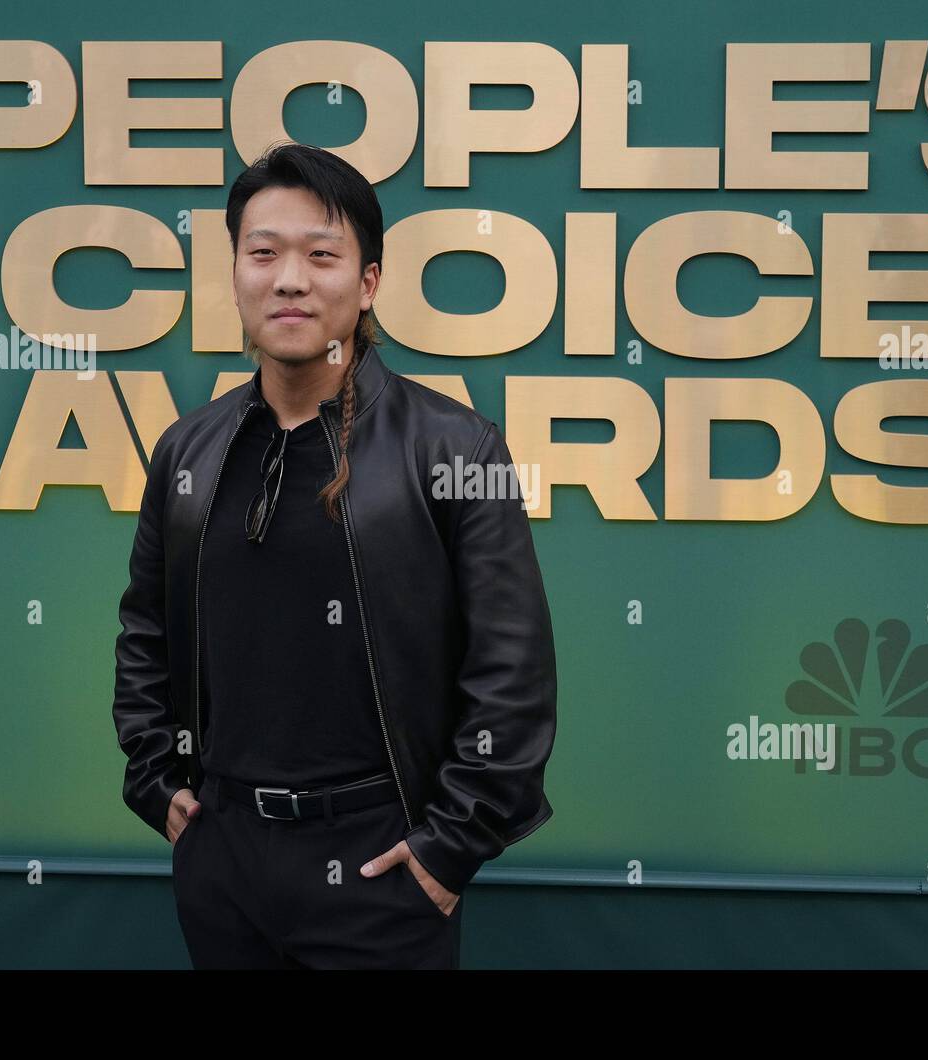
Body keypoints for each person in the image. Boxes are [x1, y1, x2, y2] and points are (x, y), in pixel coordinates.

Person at [112, 140, 558, 969]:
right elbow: (146, 633)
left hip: (382, 864)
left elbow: (513, 671)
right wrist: (154, 780)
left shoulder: (452, 446)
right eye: (264, 252)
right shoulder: (188, 451)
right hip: (223, 859)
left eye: (321, 254)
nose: (289, 279)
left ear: (368, 282)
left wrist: (447, 851)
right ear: (236, 271)